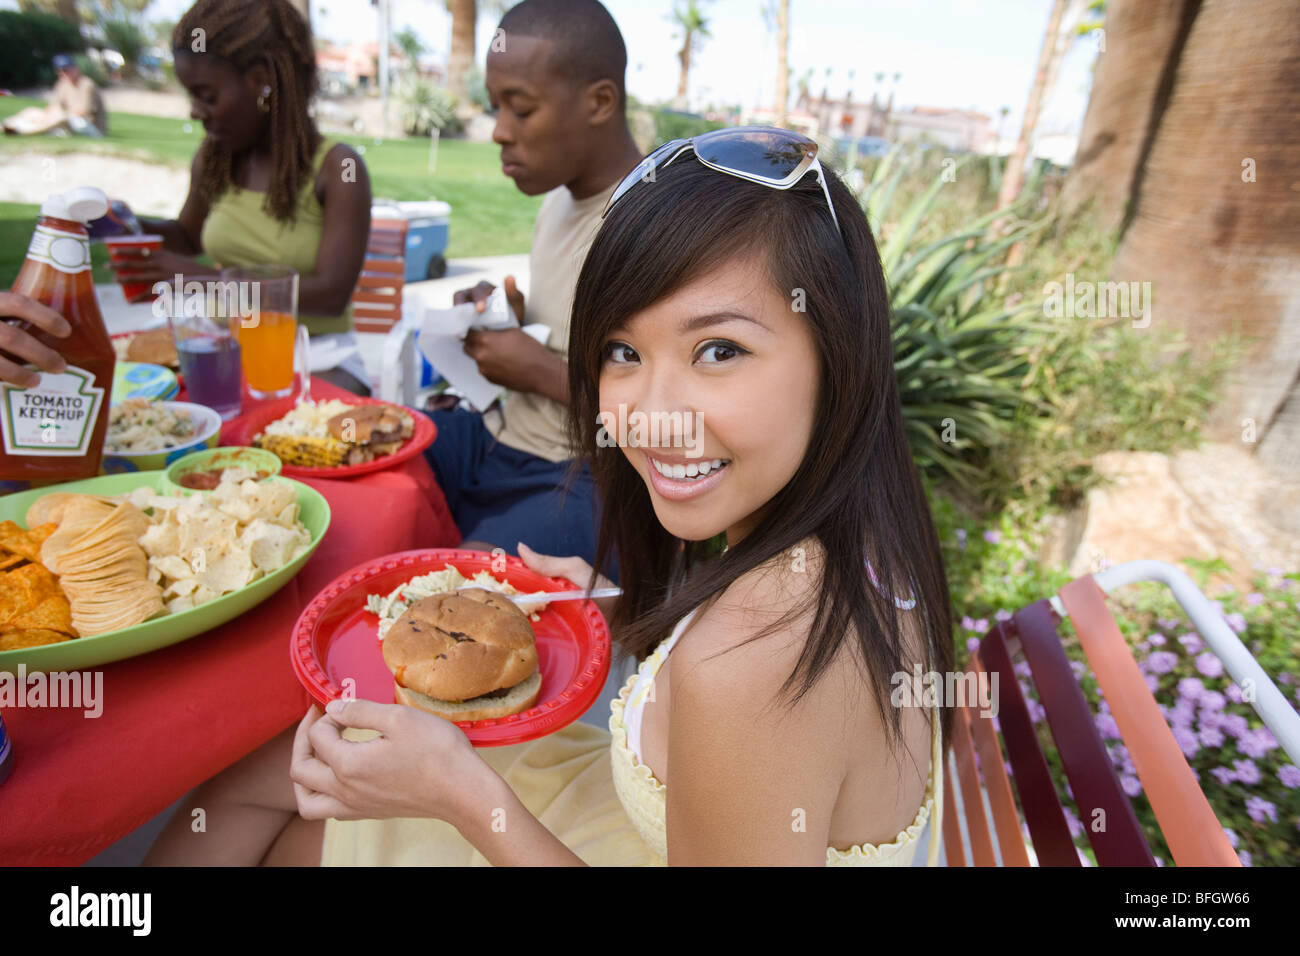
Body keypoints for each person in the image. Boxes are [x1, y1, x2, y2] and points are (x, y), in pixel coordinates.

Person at [143, 127, 956, 866]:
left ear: (839, 354)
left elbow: (747, 702)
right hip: (634, 821)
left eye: (717, 349)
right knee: (280, 780)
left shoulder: (754, 661)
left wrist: (460, 796)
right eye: (620, 351)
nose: (650, 415)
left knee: (278, 811)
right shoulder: (855, 539)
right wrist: (609, 600)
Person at [423, 0, 644, 576]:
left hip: (583, 475)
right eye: (496, 107)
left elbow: (664, 418)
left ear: (599, 102)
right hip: (500, 435)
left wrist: (537, 370)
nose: (498, 131)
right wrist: (504, 317)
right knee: (369, 454)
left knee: (457, 599)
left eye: (521, 109)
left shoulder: (648, 227)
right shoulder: (559, 196)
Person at [109, 0, 374, 395]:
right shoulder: (215, 159)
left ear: (261, 79)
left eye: (207, 96)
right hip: (224, 350)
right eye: (191, 97)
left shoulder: (338, 169)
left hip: (316, 359)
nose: (196, 112)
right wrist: (125, 225)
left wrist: (201, 281)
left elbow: (330, 296)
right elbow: (187, 236)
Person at [1, 54, 106, 137]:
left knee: (61, 118)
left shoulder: (87, 85)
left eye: (65, 70)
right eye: (59, 70)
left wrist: (58, 114)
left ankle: (24, 132)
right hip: (69, 121)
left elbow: (83, 112)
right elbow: (54, 106)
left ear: (75, 68)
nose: (62, 73)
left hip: (92, 127)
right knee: (32, 111)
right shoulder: (62, 84)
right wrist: (45, 115)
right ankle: (6, 126)